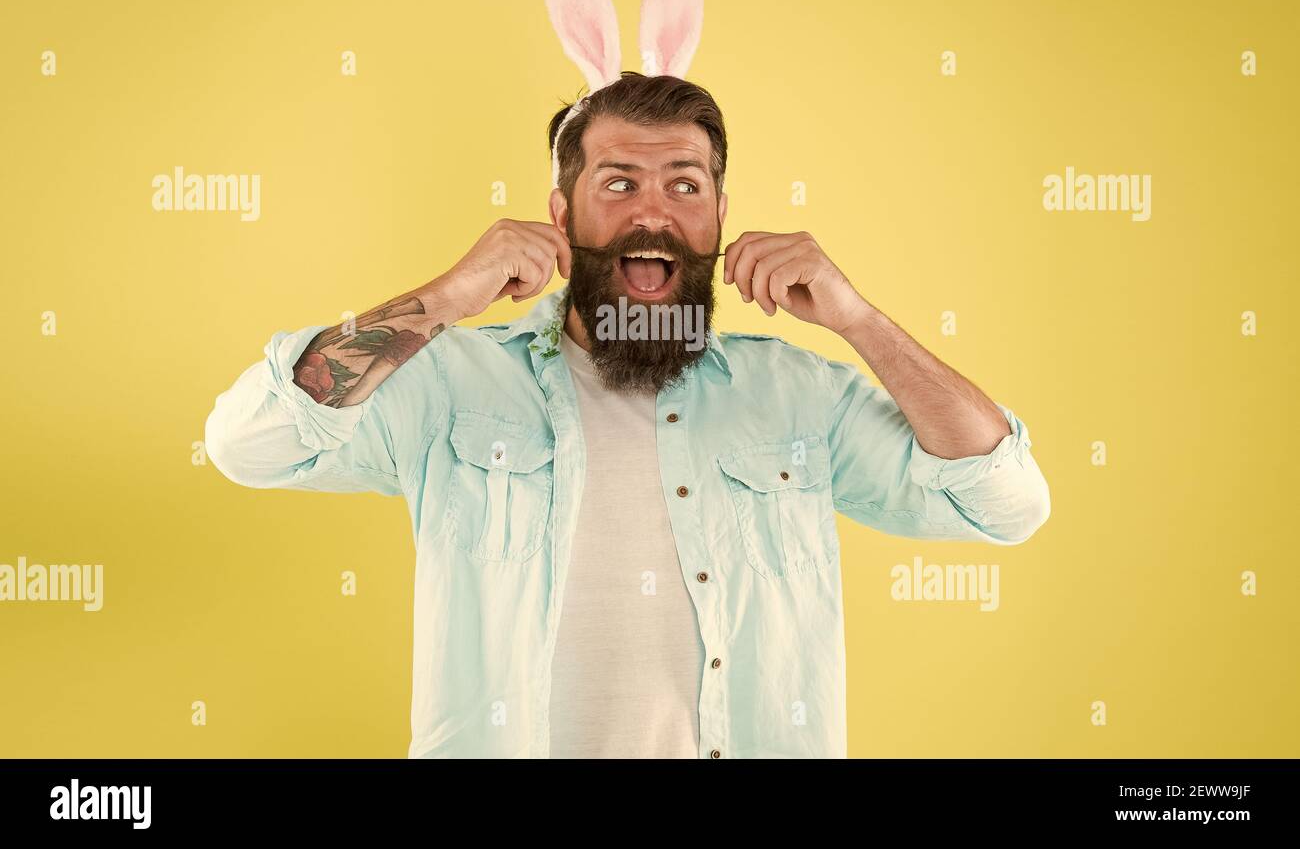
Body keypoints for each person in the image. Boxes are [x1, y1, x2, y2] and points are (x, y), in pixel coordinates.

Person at [204, 71, 1051, 758]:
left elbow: (1006, 501)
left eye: (686, 184)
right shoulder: (451, 385)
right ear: (561, 215)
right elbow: (250, 441)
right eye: (619, 182)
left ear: (719, 217)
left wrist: (860, 320)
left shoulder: (797, 399)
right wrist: (446, 297)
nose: (653, 212)